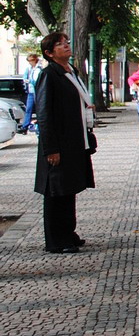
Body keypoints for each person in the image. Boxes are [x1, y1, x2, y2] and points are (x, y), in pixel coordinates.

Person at [33, 32, 95, 254]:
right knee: (56, 191)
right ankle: (57, 240)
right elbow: (44, 113)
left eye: (66, 43)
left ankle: (69, 232)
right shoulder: (49, 74)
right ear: (49, 53)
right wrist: (51, 148)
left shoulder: (71, 72)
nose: (66, 46)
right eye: (60, 45)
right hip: (58, 143)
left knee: (69, 188)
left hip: (74, 140)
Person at [19, 52, 42, 134]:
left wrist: (29, 81)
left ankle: (38, 126)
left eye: (31, 60)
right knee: (28, 109)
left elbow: (36, 81)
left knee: (38, 109)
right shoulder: (29, 68)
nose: (29, 62)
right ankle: (24, 126)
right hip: (30, 91)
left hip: (36, 92)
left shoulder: (38, 69)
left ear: (35, 60)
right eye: (28, 61)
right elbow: (25, 76)